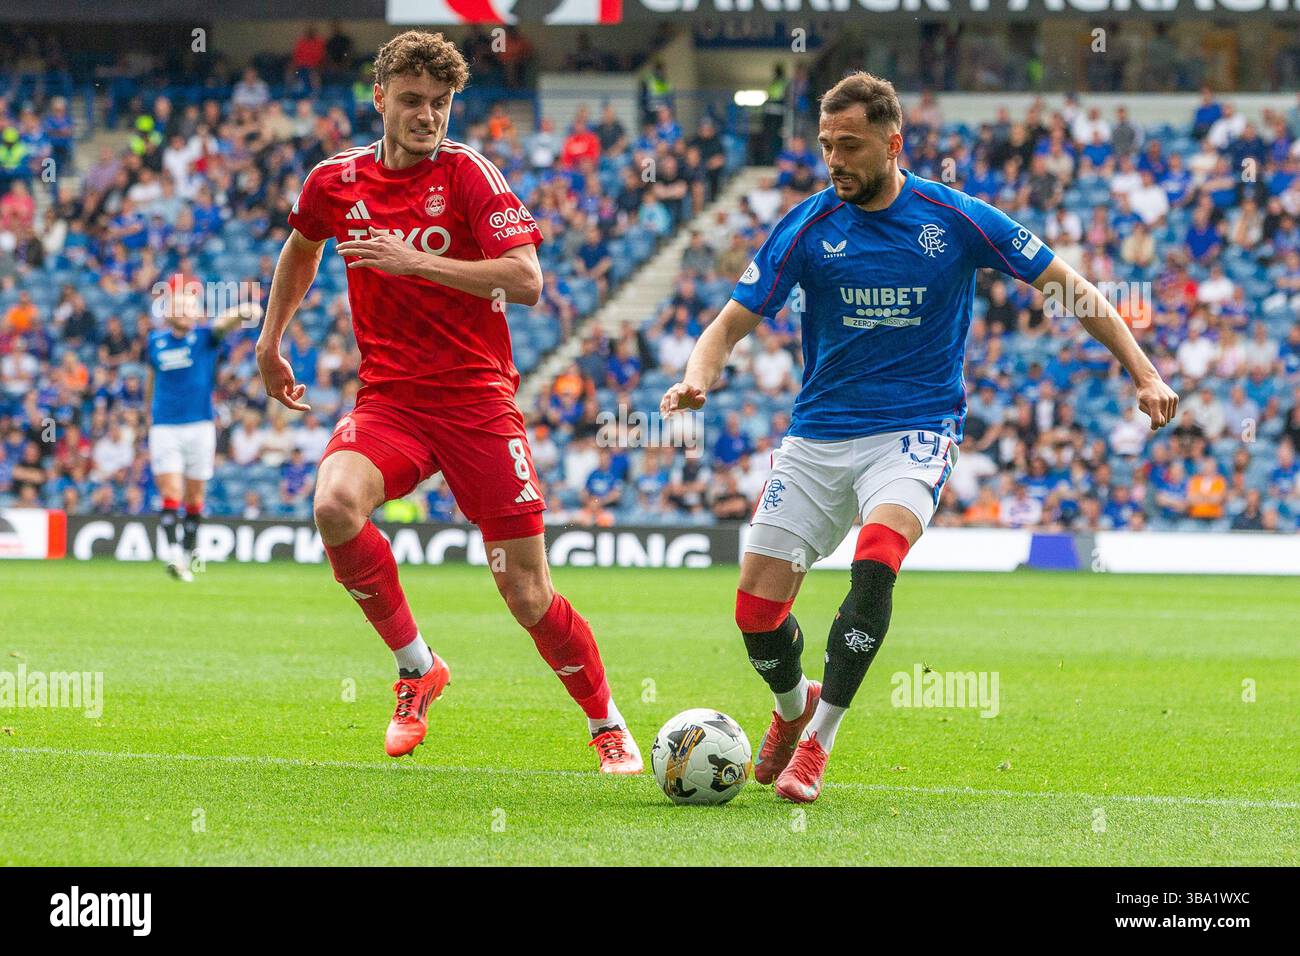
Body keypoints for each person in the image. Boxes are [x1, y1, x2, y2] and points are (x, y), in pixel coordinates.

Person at [660, 72, 1178, 803]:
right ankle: (790, 709)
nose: (834, 160)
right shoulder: (808, 227)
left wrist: (1144, 372)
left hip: (915, 430)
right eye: (824, 146)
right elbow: (729, 323)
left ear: (893, 142)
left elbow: (1070, 288)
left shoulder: (954, 217)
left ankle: (820, 740)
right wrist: (698, 378)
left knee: (877, 560)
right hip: (819, 435)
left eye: (849, 146)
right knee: (755, 613)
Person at [256, 30, 641, 773]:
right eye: (412, 101)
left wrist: (416, 261)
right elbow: (303, 246)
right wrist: (272, 341)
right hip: (392, 401)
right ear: (379, 99)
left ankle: (607, 723)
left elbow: (526, 281)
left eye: (440, 103)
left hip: (476, 402)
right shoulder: (334, 181)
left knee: (526, 592)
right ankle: (416, 668)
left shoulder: (470, 175)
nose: (428, 115)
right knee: (334, 504)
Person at [146, 282, 261, 582]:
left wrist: (243, 311)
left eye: (189, 307)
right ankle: (172, 554)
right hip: (164, 426)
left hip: (199, 426)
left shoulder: (205, 338)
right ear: (168, 311)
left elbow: (225, 323)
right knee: (170, 492)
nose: (183, 311)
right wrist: (149, 415)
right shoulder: (154, 341)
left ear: (197, 313)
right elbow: (151, 380)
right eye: (178, 306)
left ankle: (187, 553)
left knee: (195, 496)